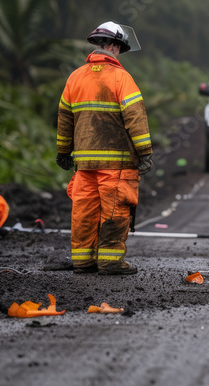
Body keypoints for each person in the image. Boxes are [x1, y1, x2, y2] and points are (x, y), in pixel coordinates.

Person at [56, 21, 152, 275]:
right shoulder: (121, 78)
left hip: (84, 165)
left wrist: (63, 151)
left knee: (83, 212)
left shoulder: (75, 77)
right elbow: (135, 118)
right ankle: (110, 262)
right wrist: (145, 153)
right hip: (117, 165)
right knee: (114, 210)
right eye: (120, 47)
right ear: (114, 46)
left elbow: (65, 118)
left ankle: (82, 261)